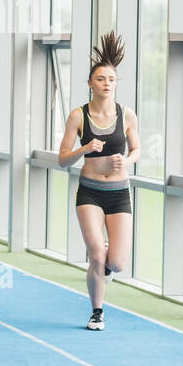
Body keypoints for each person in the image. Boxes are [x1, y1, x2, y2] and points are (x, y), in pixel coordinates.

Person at [57, 31, 140, 331]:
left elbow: (137, 149)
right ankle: (97, 311)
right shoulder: (77, 117)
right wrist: (84, 149)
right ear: (91, 83)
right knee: (95, 252)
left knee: (116, 263)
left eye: (111, 79)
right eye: (101, 79)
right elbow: (62, 158)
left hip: (119, 193)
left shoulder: (126, 115)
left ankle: (105, 268)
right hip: (90, 192)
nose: (106, 84)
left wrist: (127, 161)